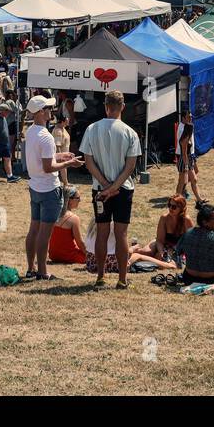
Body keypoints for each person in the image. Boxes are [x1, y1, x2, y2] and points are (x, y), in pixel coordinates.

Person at [80, 89, 142, 290]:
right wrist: (114, 187)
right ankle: (122, 279)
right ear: (122, 107)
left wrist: (106, 187)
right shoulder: (130, 132)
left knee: (102, 232)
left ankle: (100, 276)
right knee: (122, 233)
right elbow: (130, 166)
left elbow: (88, 162)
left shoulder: (91, 129)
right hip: (123, 189)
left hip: (100, 190)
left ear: (106, 107)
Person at [23, 95, 63, 281]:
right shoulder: (46, 136)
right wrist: (68, 163)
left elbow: (43, 161)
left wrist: (62, 158)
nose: (51, 111)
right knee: (44, 233)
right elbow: (48, 167)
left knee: (34, 229)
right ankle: (42, 271)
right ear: (40, 112)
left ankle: (31, 268)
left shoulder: (31, 131)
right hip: (48, 188)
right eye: (48, 108)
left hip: (35, 185)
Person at [146, 196, 192, 264]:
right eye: (169, 205)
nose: (170, 208)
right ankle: (132, 252)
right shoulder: (164, 218)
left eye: (174, 207)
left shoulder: (186, 220)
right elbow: (159, 240)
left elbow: (191, 242)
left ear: (181, 208)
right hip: (163, 245)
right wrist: (162, 253)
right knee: (146, 252)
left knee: (167, 260)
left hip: (179, 249)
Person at [48, 187, 87, 265]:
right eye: (77, 198)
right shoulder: (73, 218)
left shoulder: (53, 213)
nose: (80, 200)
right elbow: (80, 243)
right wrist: (90, 255)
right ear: (69, 200)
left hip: (53, 255)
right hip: (69, 256)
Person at [174, 110, 199, 200]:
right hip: (183, 155)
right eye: (188, 117)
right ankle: (179, 194)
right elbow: (183, 147)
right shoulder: (182, 129)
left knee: (195, 171)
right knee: (183, 179)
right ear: (183, 118)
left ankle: (182, 189)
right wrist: (186, 162)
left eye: (191, 117)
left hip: (191, 154)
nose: (190, 118)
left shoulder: (188, 126)